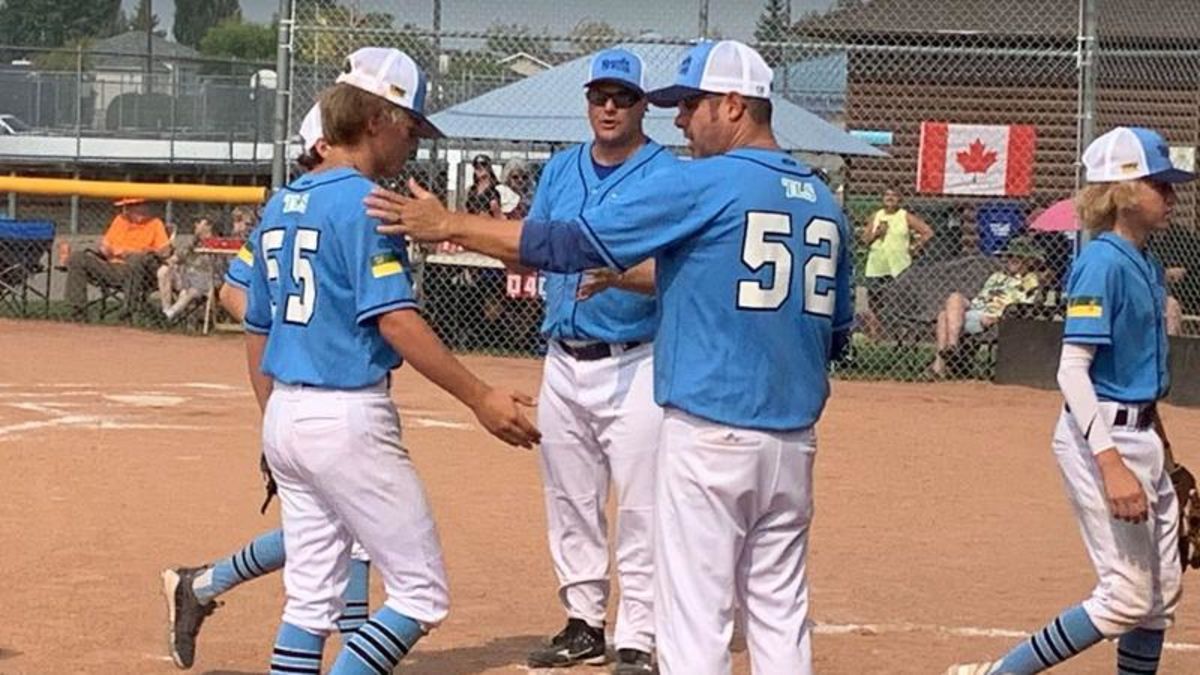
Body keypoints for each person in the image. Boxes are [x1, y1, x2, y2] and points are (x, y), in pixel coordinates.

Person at [366, 40, 853, 675]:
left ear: (735, 105)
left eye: (693, 105)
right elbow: (837, 335)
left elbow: (571, 243)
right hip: (792, 440)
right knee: (779, 611)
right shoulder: (821, 197)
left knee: (693, 614)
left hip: (710, 429)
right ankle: (585, 619)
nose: (680, 119)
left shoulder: (705, 181)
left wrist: (449, 224)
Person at [244, 47, 538, 675]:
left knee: (310, 601)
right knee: (421, 592)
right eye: (409, 126)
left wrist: (276, 425)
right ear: (376, 119)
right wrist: (480, 395)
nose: (412, 142)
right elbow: (395, 320)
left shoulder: (282, 203)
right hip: (346, 416)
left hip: (287, 412)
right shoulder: (368, 204)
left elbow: (256, 327)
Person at [945, 126, 1192, 675]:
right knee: (1127, 596)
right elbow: (1072, 371)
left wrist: (1163, 456)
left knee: (1158, 600)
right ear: (1122, 193)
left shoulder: (1144, 263)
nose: (1172, 196)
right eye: (1160, 185)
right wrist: (1112, 464)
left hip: (1141, 434)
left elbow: (1141, 375)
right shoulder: (1101, 263)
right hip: (1102, 435)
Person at [158, 103, 384, 671]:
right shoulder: (296, 208)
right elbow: (237, 293)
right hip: (311, 393)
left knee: (334, 531)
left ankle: (201, 585)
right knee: (355, 535)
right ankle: (203, 586)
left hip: (343, 391)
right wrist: (300, 331)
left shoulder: (349, 205)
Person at [493, 49, 671, 675]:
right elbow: (531, 249)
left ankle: (639, 635)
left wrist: (622, 276)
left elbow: (683, 273)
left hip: (636, 360)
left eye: (623, 96)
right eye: (600, 95)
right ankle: (584, 622)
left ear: (644, 104)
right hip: (562, 357)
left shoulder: (665, 173)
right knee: (569, 498)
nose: (610, 107)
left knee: (642, 504)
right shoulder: (562, 169)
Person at [930, 235, 1043, 377]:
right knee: (955, 297)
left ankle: (939, 365)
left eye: (1018, 257)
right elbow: (981, 297)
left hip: (988, 317)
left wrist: (998, 317)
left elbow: (1024, 306)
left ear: (1028, 261)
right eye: (1010, 256)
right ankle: (953, 346)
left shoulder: (1030, 280)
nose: (1012, 260)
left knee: (943, 316)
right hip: (974, 309)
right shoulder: (996, 276)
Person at [65, 197, 171, 320]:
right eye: (128, 207)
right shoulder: (120, 220)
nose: (130, 210)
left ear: (145, 206)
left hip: (139, 271)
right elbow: (105, 246)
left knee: (135, 259)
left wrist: (140, 252)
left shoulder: (155, 223)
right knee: (77, 258)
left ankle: (128, 311)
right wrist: (105, 249)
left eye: (135, 206)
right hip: (112, 267)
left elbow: (166, 251)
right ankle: (78, 312)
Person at [860, 187, 934, 339]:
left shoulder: (905, 216)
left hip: (899, 266)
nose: (890, 198)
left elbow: (927, 232)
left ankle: (900, 334)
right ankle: (876, 336)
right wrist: (876, 234)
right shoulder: (876, 215)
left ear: (900, 199)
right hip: (877, 265)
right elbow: (865, 240)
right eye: (887, 194)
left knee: (899, 302)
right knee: (875, 302)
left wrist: (914, 247)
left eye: (894, 195)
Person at [156, 216, 221, 322]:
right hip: (186, 277)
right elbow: (175, 258)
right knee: (163, 271)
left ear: (209, 226)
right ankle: (166, 309)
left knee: (191, 291)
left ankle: (169, 315)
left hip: (205, 281)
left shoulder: (217, 243)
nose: (195, 225)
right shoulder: (192, 241)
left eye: (199, 223)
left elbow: (218, 269)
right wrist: (168, 259)